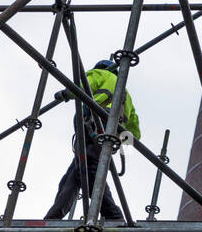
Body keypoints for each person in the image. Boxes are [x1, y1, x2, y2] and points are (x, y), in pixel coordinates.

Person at [44, 59, 141, 221]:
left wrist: (65, 94)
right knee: (75, 173)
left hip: (95, 125)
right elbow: (133, 129)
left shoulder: (100, 74)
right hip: (110, 135)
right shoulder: (126, 96)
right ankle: (53, 216)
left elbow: (82, 87)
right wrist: (125, 149)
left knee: (89, 168)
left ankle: (113, 214)